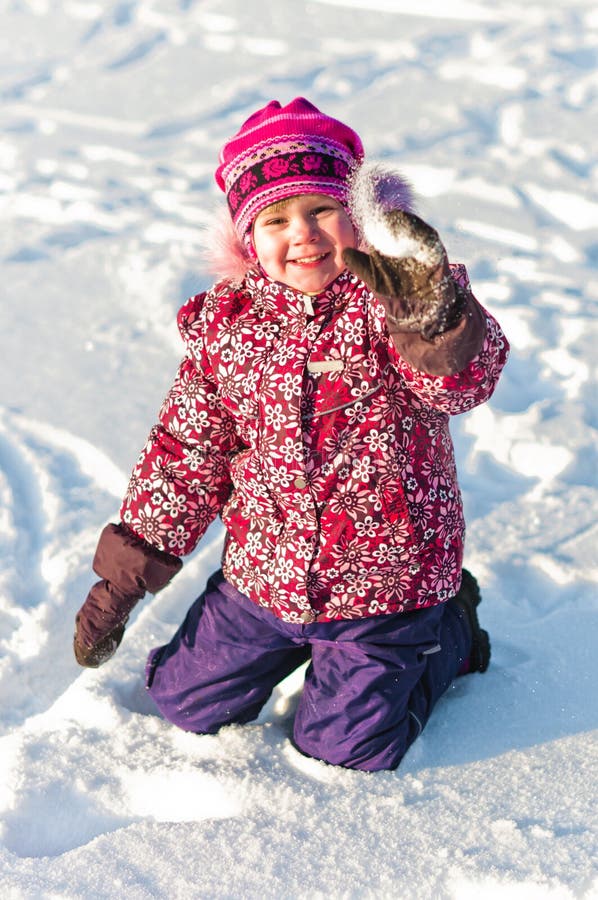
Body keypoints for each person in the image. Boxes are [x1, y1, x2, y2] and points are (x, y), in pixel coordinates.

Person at [74, 97, 509, 772]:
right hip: (264, 578)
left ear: (357, 218)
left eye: (320, 210)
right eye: (275, 219)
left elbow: (459, 383)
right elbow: (185, 456)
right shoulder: (230, 328)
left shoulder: (395, 303)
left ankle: (450, 630)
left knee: (345, 748)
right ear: (249, 241)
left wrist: (431, 314)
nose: (301, 233)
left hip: (386, 584)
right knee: (181, 703)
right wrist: (123, 580)